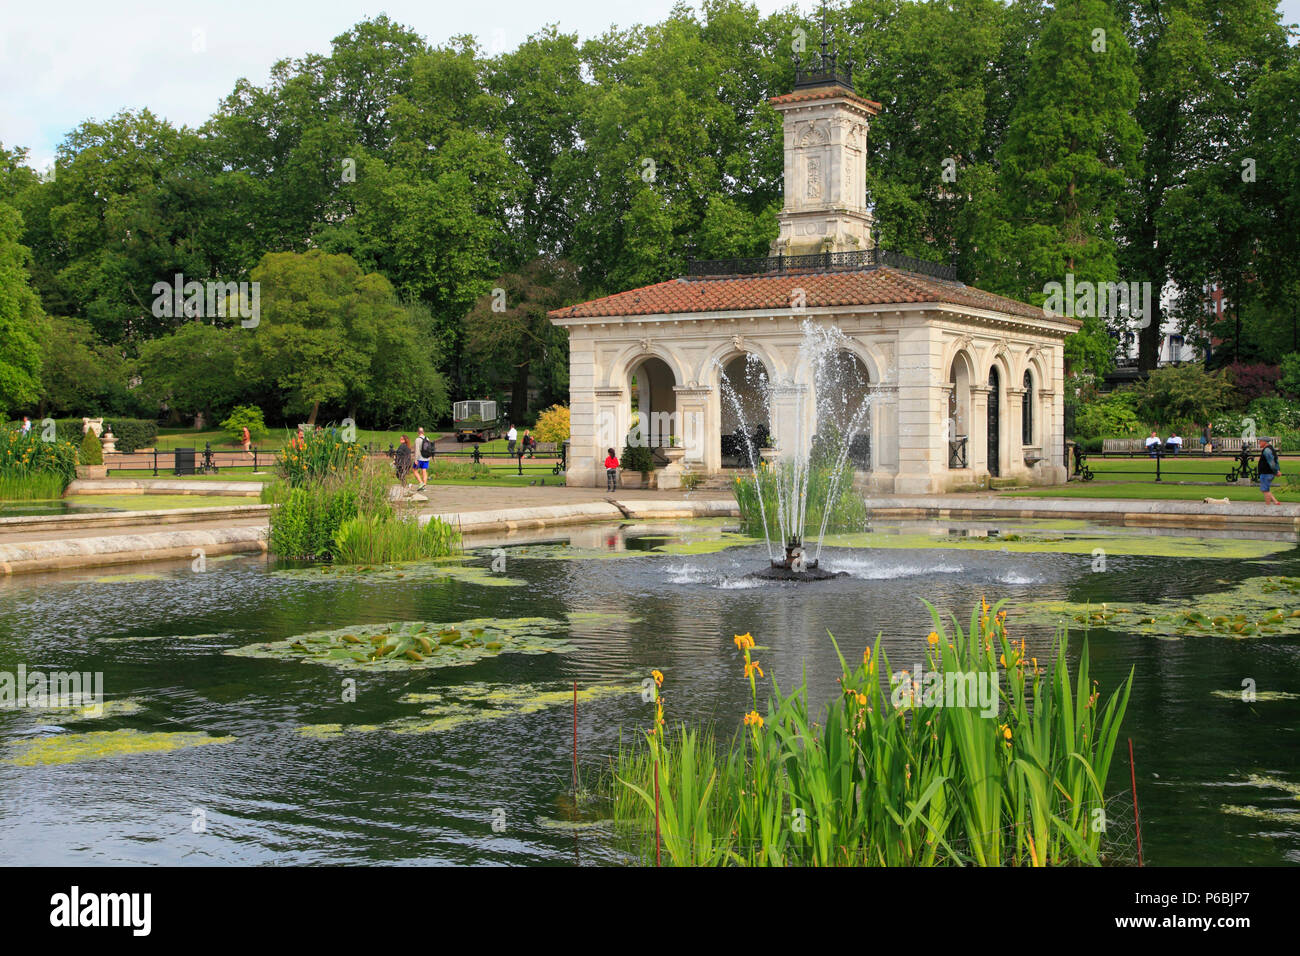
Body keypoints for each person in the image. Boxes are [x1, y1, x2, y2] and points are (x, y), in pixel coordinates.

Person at [1257, 437, 1282, 506]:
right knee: (1265, 489)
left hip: (1266, 473)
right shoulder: (1271, 449)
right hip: (1268, 473)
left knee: (1265, 490)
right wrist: (1277, 470)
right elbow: (1276, 461)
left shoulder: (1267, 450)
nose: (1259, 443)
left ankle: (1268, 507)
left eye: (1260, 441)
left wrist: (1276, 471)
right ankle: (1275, 501)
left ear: (1264, 442)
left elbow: (1271, 462)